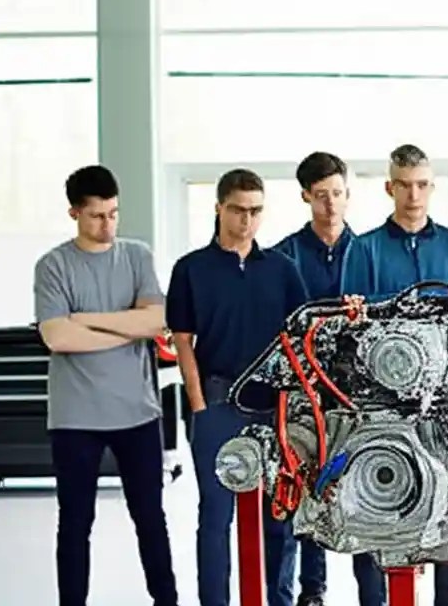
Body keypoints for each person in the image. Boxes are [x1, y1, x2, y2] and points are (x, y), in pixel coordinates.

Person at [34, 165, 179, 606]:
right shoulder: (53, 266)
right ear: (74, 213)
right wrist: (126, 328)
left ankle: (167, 601)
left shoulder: (137, 256)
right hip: (75, 417)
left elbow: (157, 320)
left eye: (113, 214)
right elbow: (58, 337)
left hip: (137, 412)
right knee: (75, 523)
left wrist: (87, 319)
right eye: (97, 216)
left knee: (150, 518)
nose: (108, 224)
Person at [346, 144, 448, 606]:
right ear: (390, 187)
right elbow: (352, 330)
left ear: (432, 187)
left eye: (422, 185)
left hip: (444, 403)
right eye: (404, 185)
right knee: (371, 500)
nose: (413, 194)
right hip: (379, 404)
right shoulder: (363, 249)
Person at [167, 169, 309, 606]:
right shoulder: (191, 269)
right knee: (215, 515)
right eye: (238, 210)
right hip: (217, 401)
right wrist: (197, 402)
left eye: (255, 211)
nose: (247, 220)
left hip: (274, 406)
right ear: (218, 208)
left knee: (279, 515)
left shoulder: (283, 270)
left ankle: (280, 600)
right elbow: (182, 340)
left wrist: (295, 404)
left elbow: (300, 339)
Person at [271, 152, 364, 606]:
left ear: (348, 194)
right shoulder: (283, 256)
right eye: (321, 195)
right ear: (306, 196)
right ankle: (309, 591)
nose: (331, 204)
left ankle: (373, 594)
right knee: (302, 488)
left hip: (358, 391)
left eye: (338, 194)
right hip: (302, 390)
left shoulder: (368, 252)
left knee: (365, 484)